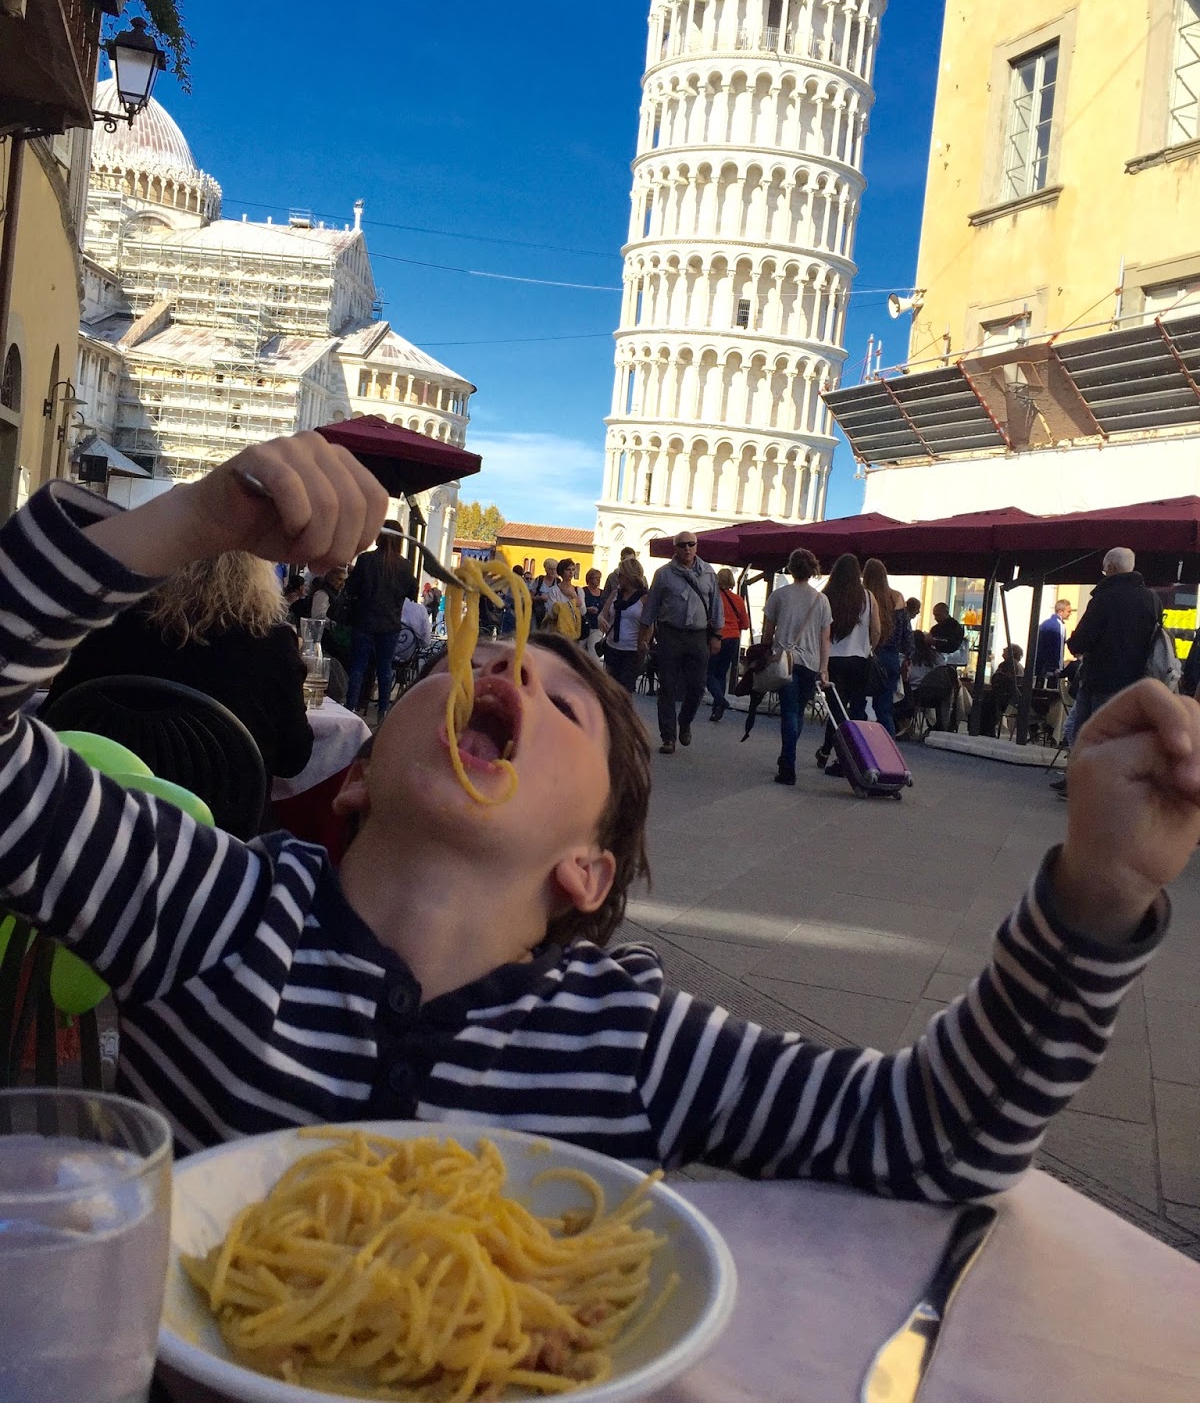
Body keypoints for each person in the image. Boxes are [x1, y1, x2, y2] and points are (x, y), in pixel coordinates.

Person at [0, 432, 1193, 1206]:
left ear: (587, 867)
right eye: (478, 667)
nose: (512, 677)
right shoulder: (208, 904)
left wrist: (1099, 893)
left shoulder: (630, 1041)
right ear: (355, 773)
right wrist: (185, 527)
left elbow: (931, 1137)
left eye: (565, 698)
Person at [42, 549, 313, 796]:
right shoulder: (271, 645)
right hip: (220, 833)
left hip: (99, 817)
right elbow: (293, 760)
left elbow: (52, 723)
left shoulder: (103, 627)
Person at [638, 531, 722, 755]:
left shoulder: (708, 573)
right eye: (683, 545)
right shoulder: (663, 574)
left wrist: (717, 636)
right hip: (670, 634)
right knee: (666, 686)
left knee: (697, 686)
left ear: (696, 546)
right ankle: (668, 737)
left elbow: (716, 606)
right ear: (675, 548)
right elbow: (651, 607)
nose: (687, 549)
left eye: (691, 544)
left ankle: (684, 721)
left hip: (697, 635)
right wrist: (643, 637)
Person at [1067, 549, 1160, 733]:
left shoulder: (1104, 598)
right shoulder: (1153, 600)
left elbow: (1080, 642)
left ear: (1111, 567)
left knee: (1085, 738)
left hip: (1101, 682)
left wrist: (1073, 643)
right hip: (1137, 684)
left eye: (1104, 570)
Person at [761, 548, 831, 784]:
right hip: (810, 664)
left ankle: (787, 764)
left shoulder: (779, 596)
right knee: (798, 711)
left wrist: (764, 654)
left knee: (789, 711)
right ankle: (786, 757)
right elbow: (825, 639)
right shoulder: (821, 600)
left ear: (791, 568)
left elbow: (767, 633)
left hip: (785, 661)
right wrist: (824, 668)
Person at [343, 521, 418, 720]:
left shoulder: (366, 560)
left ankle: (351, 707)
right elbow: (412, 593)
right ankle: (383, 710)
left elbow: (351, 589)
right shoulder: (405, 565)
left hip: (364, 621)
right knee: (384, 668)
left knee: (358, 666)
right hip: (390, 624)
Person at [815, 553, 880, 771]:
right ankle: (852, 756)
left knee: (836, 709)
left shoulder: (826, 596)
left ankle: (827, 750)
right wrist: (869, 647)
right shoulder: (868, 597)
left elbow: (818, 630)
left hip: (832, 659)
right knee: (856, 710)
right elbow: (877, 629)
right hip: (860, 660)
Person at [863, 557, 911, 738]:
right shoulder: (897, 597)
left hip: (867, 655)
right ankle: (889, 751)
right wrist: (908, 657)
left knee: (858, 704)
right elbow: (907, 633)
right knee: (884, 710)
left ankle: (860, 747)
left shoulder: (864, 597)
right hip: (891, 657)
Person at [597, 556, 647, 692]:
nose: (617, 578)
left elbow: (649, 624)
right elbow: (603, 614)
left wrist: (643, 643)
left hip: (632, 650)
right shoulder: (615, 594)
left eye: (620, 575)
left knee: (625, 690)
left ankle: (623, 713)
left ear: (630, 576)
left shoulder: (644, 598)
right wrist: (601, 619)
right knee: (610, 688)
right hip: (612, 647)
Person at [707, 568, 751, 722]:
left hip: (716, 637)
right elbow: (745, 624)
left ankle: (720, 700)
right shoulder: (738, 600)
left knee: (709, 673)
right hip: (733, 639)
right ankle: (716, 708)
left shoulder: (713, 598)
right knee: (721, 673)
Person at [980, 645, 1024, 739]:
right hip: (1011, 699)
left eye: (1005, 651)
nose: (1003, 652)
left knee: (986, 700)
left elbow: (999, 680)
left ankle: (985, 728)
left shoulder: (1007, 665)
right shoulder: (1019, 666)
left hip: (1005, 699)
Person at [1036, 599, 1074, 680]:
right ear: (1060, 611)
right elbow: (1059, 649)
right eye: (1068, 611)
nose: (1070, 614)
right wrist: (1059, 669)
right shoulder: (1059, 626)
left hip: (1040, 667)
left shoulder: (1044, 624)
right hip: (1052, 669)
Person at [529, 558, 560, 628]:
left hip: (552, 615)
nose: (553, 571)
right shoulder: (539, 580)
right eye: (550, 569)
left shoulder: (558, 582)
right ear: (546, 569)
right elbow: (529, 596)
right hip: (537, 613)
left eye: (554, 569)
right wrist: (540, 598)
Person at [580, 568, 605, 653]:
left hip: (596, 627)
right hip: (583, 626)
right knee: (580, 651)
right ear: (589, 579)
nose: (598, 580)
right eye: (596, 578)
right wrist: (587, 609)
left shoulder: (603, 593)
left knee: (593, 652)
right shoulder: (583, 591)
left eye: (599, 578)